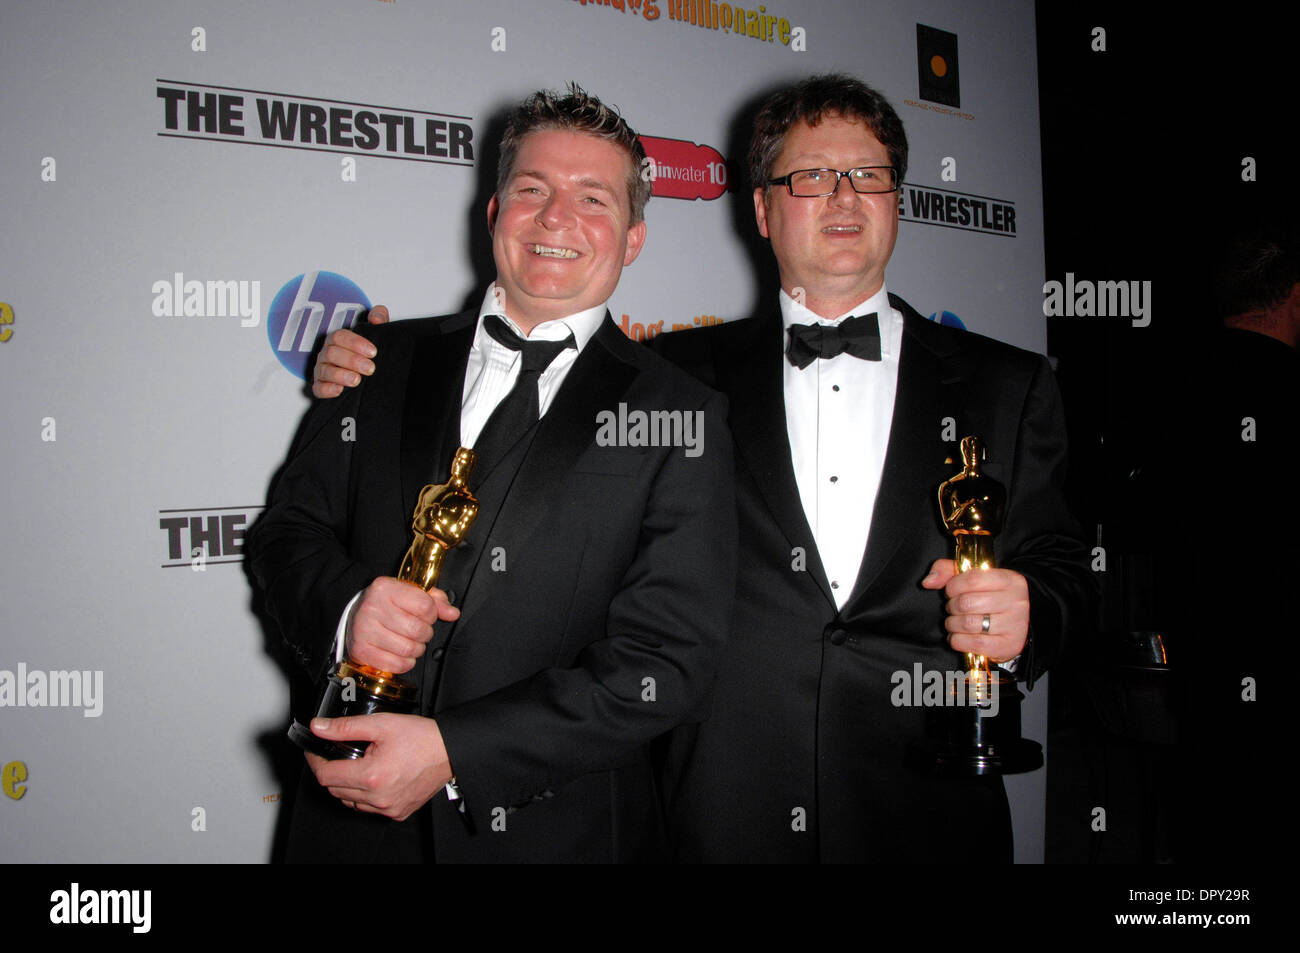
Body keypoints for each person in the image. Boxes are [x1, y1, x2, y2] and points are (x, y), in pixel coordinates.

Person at [312, 74, 1093, 862]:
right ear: (762, 209)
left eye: (870, 176)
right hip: (717, 808)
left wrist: (1033, 614)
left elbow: (1064, 565)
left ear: (898, 199)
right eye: (811, 177)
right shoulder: (666, 377)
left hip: (929, 804)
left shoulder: (1007, 383)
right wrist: (368, 370)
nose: (844, 198)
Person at [248, 85, 737, 863]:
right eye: (533, 190)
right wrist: (347, 613)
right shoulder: (376, 363)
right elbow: (286, 534)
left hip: (559, 837)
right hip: (346, 833)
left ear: (634, 237)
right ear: (493, 212)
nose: (555, 219)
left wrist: (455, 750)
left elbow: (667, 662)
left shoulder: (681, 413)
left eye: (593, 198)